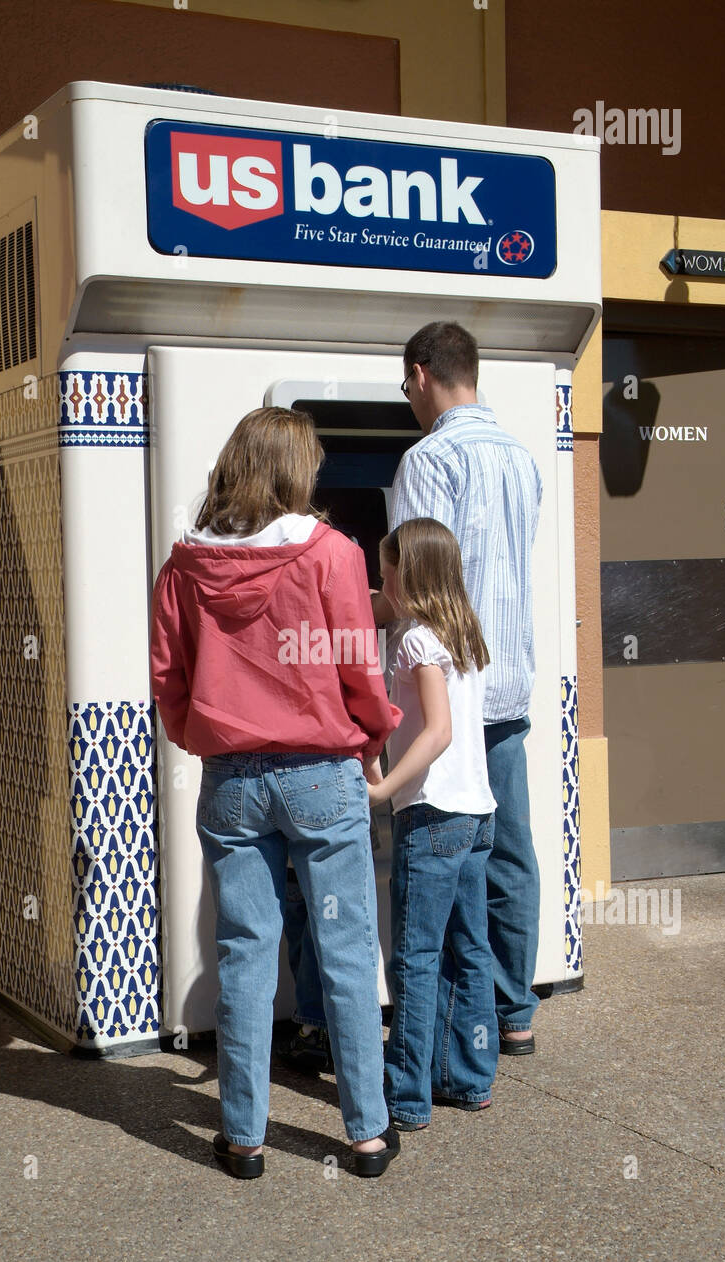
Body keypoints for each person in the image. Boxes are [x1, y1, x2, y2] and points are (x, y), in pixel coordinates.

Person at [150, 406, 402, 1179]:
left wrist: (211, 738)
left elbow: (168, 678)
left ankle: (244, 1139)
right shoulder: (331, 555)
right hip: (322, 775)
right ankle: (364, 1135)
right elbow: (360, 667)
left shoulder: (184, 565)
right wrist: (372, 736)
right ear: (296, 470)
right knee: (349, 952)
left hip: (233, 782)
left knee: (246, 954)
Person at [284, 320, 542, 1066]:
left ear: (423, 373)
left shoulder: (429, 459)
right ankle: (508, 1017)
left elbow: (411, 585)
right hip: (506, 683)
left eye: (405, 386)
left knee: (428, 877)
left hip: (440, 701)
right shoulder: (523, 458)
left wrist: (342, 608)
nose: (408, 400)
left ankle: (423, 1045)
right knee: (505, 859)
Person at [365, 519, 497, 1129]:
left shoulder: (416, 639)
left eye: (385, 569)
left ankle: (407, 1097)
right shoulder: (462, 631)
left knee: (416, 958)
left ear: (407, 574)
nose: (378, 579)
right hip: (477, 812)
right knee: (469, 949)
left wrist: (386, 787)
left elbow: (437, 730)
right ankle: (468, 1078)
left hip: (433, 812)